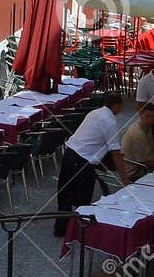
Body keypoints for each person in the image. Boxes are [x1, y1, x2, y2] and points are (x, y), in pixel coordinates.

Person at [54, 92, 131, 235]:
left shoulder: (94, 113)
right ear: (116, 105)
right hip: (83, 161)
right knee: (82, 200)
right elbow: (116, 154)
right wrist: (124, 180)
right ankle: (78, 231)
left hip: (70, 153)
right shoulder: (110, 123)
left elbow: (92, 139)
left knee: (65, 195)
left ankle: (61, 228)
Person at [120, 102, 154, 178]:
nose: (150, 119)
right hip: (133, 172)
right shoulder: (138, 133)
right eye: (147, 116)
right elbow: (147, 162)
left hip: (141, 166)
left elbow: (152, 151)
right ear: (141, 115)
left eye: (152, 116)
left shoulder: (146, 126)